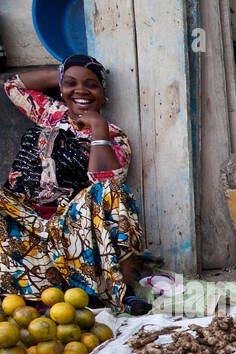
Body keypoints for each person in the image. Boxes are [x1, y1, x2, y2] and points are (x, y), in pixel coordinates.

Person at [0, 55, 146, 313]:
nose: (81, 90)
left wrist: (98, 130)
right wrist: (64, 73)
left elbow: (108, 186)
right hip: (22, 221)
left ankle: (122, 292)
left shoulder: (115, 136)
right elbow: (13, 85)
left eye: (91, 85)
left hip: (70, 225)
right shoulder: (50, 114)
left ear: (103, 93)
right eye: (71, 84)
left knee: (114, 191)